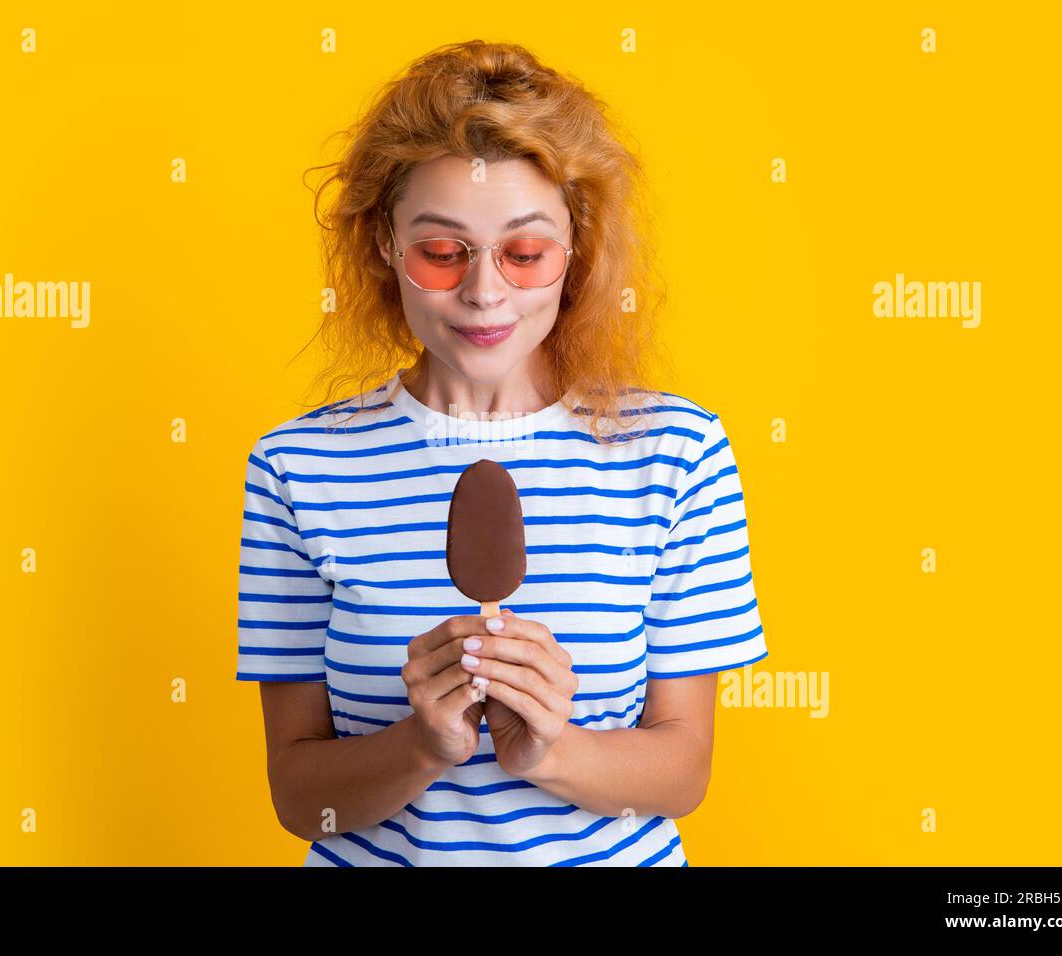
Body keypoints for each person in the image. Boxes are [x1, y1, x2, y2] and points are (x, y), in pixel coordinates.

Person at [236, 40, 768, 866]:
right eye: (442, 253)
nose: (486, 292)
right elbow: (300, 799)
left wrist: (548, 751)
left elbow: (683, 771)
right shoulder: (297, 467)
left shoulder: (676, 455)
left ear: (574, 251)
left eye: (524, 254)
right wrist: (423, 745)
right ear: (385, 245)